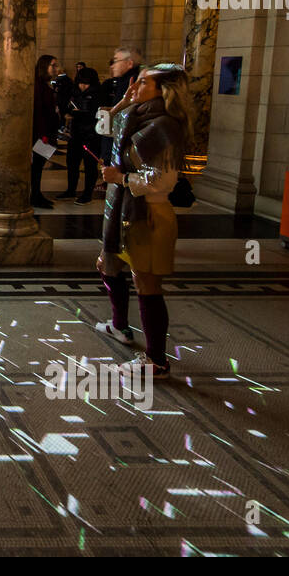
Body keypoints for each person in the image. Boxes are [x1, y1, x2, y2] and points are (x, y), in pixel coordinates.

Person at [94, 64, 194, 380]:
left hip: (149, 214)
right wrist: (123, 102)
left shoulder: (164, 126)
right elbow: (103, 127)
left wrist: (121, 177)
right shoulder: (138, 116)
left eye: (142, 82)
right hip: (128, 211)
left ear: (163, 90)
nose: (134, 85)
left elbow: (162, 181)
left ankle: (156, 362)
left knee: (148, 286)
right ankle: (121, 326)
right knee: (116, 269)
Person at [57, 66, 101, 204]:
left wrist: (81, 112)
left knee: (89, 166)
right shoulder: (75, 92)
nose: (82, 86)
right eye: (81, 83)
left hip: (91, 135)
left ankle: (87, 194)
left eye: (86, 83)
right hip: (76, 133)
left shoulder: (97, 94)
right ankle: (71, 190)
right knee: (72, 163)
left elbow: (96, 114)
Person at [99, 47, 142, 163]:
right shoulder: (122, 81)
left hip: (122, 147)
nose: (113, 66)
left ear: (129, 63)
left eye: (116, 61)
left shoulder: (131, 82)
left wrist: (110, 112)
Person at [31, 54, 62, 210]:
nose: (57, 69)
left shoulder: (45, 85)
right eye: (53, 65)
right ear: (44, 67)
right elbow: (39, 113)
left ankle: (36, 194)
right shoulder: (39, 86)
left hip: (46, 134)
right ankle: (34, 195)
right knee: (36, 166)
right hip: (42, 135)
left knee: (38, 166)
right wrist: (42, 135)